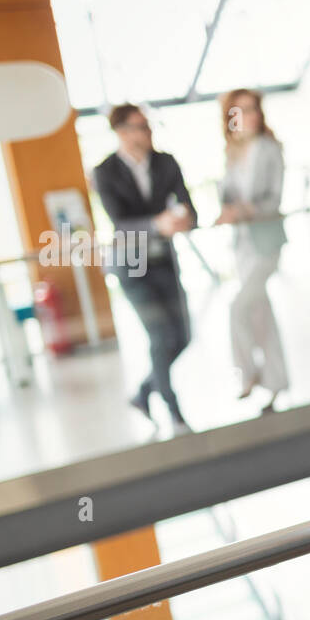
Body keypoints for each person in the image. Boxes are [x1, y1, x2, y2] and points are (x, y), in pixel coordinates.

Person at [94, 104, 197, 434]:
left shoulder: (166, 162)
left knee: (182, 336)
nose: (148, 133)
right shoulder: (105, 172)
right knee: (159, 336)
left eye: (148, 126)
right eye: (140, 127)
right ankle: (174, 412)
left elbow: (188, 206)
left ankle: (142, 392)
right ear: (121, 132)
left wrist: (184, 219)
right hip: (131, 265)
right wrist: (157, 224)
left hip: (165, 261)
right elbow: (120, 224)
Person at [215, 88, 290, 414]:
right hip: (242, 246)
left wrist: (244, 210)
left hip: (265, 243)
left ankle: (246, 375)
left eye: (253, 109)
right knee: (261, 316)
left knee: (238, 307)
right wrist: (228, 210)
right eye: (240, 110)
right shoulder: (232, 154)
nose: (249, 116)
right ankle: (276, 384)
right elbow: (228, 198)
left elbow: (273, 200)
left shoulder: (269, 149)